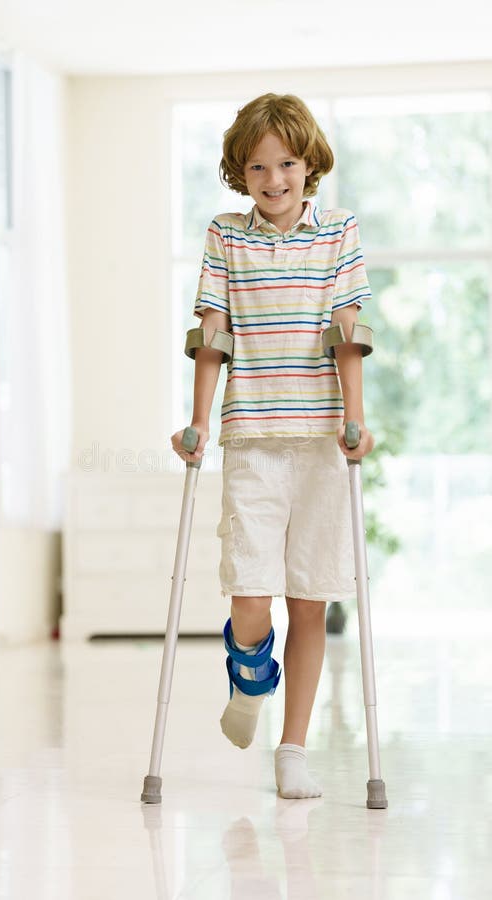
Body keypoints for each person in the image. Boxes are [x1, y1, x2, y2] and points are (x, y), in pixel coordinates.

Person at [171, 93, 374, 799]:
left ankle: (293, 749)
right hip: (252, 436)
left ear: (308, 162)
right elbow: (211, 336)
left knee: (311, 598)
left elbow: (347, 330)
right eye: (258, 166)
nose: (274, 178)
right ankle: (251, 673)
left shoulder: (339, 231)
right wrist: (196, 422)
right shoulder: (226, 236)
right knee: (251, 594)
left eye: (286, 162)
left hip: (321, 441)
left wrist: (355, 417)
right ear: (240, 172)